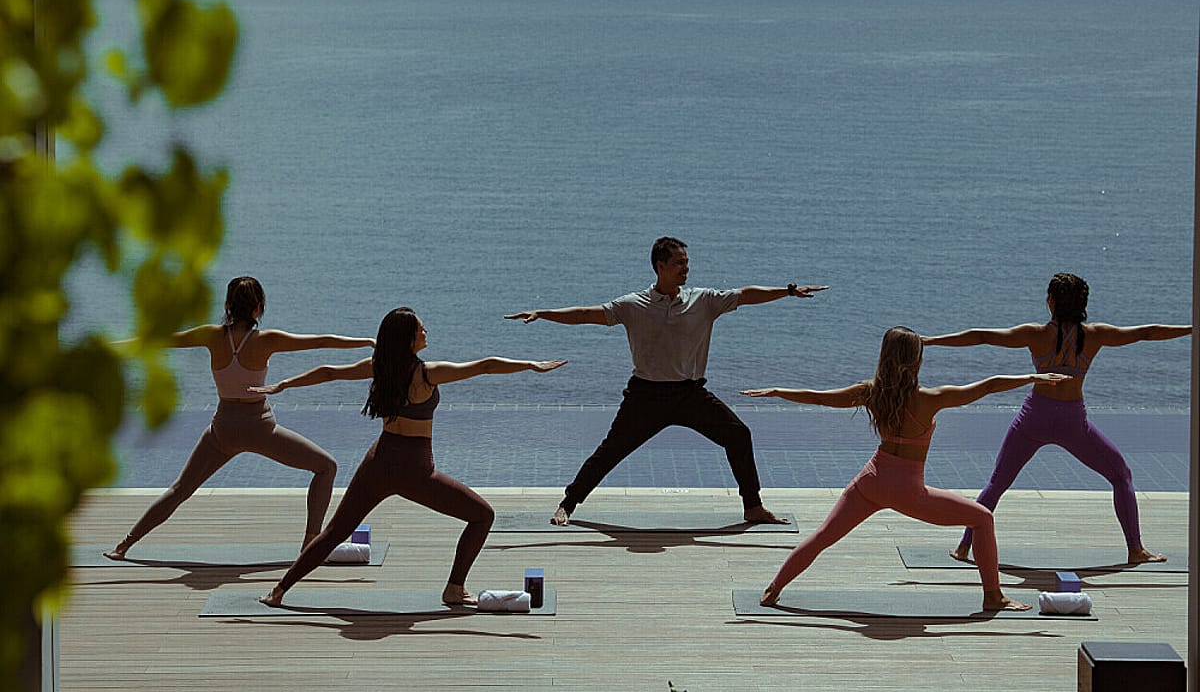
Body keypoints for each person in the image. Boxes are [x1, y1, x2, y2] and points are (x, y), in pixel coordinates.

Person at [255, 307, 566, 607]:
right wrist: (529, 364)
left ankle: (279, 590)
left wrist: (284, 384)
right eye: (420, 329)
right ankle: (454, 589)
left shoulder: (379, 366)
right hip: (416, 472)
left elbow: (328, 373)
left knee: (336, 531)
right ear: (408, 338)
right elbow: (483, 366)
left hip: (378, 462)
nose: (425, 331)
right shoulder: (427, 373)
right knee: (483, 516)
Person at [506, 236, 827, 527]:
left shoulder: (704, 300)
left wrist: (787, 290)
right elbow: (586, 314)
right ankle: (568, 504)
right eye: (679, 264)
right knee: (610, 451)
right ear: (660, 266)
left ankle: (753, 507)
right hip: (645, 397)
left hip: (691, 394)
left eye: (687, 263)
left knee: (739, 435)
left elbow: (745, 295)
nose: (685, 269)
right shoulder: (633, 305)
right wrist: (543, 312)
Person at [742, 326, 1067, 611]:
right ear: (917, 361)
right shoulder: (929, 398)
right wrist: (1031, 377)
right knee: (982, 518)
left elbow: (820, 398)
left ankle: (774, 589)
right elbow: (986, 386)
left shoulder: (871, 393)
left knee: (824, 536)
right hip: (910, 493)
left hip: (870, 481)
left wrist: (778, 391)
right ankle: (993, 596)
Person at [922, 272, 1191, 565]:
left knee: (997, 484)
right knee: (1120, 475)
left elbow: (982, 336)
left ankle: (964, 547)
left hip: (1034, 418)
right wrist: (1192, 328)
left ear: (1050, 301)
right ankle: (1135, 549)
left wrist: (932, 341)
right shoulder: (1095, 335)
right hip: (1073, 423)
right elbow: (1147, 332)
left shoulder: (1035, 334)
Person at [104, 276, 374, 560]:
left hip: (222, 429)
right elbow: (321, 342)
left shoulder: (212, 336)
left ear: (228, 305)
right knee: (326, 467)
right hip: (259, 428)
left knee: (180, 489)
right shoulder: (267, 341)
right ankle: (310, 544)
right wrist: (366, 342)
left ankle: (124, 545)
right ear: (259, 308)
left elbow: (161, 340)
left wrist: (112, 347)